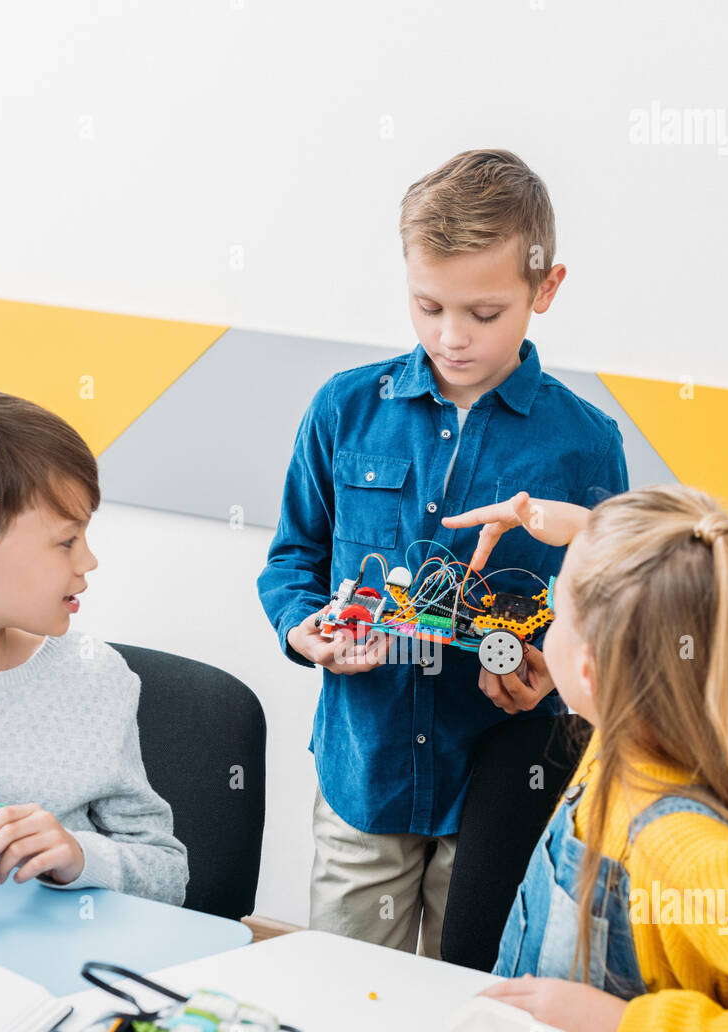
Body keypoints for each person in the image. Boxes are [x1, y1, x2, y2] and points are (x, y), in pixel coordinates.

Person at [258, 149, 627, 956]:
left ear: (545, 289)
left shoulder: (586, 445)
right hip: (366, 774)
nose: (450, 337)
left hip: (496, 791)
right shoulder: (343, 410)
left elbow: (608, 620)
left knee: (466, 997)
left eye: (484, 314)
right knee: (346, 985)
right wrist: (301, 629)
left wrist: (549, 682)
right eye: (427, 307)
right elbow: (291, 558)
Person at [446, 484, 728, 1032]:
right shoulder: (619, 738)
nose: (548, 626)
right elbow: (670, 587)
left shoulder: (684, 847)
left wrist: (625, 1031)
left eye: (557, 614)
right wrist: (562, 524)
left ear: (589, 671)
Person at [0, 382, 189, 906]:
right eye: (66, 541)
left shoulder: (94, 678)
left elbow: (167, 875)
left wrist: (80, 857)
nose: (88, 561)